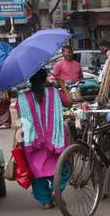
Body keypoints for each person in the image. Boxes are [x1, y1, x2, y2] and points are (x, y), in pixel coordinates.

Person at [16, 69, 70, 208]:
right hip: (55, 139)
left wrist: (16, 140)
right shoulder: (54, 93)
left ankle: (46, 202)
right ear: (45, 78)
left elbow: (20, 120)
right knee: (62, 166)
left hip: (32, 141)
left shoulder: (22, 98)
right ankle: (55, 191)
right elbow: (70, 102)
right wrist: (61, 84)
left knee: (37, 171)